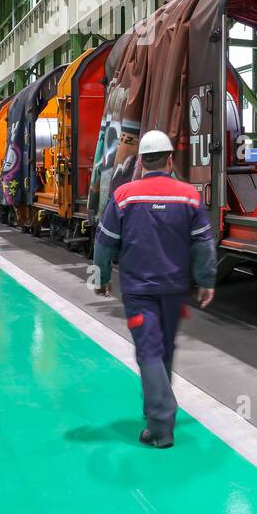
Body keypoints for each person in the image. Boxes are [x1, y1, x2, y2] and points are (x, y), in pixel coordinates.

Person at [93, 130, 216, 448]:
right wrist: (205, 281)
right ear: (170, 159)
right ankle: (157, 409)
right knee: (164, 350)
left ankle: (161, 426)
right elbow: (203, 243)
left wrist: (101, 278)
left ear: (141, 162)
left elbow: (104, 242)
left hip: (139, 290)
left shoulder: (123, 196)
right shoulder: (188, 195)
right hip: (175, 290)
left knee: (148, 351)